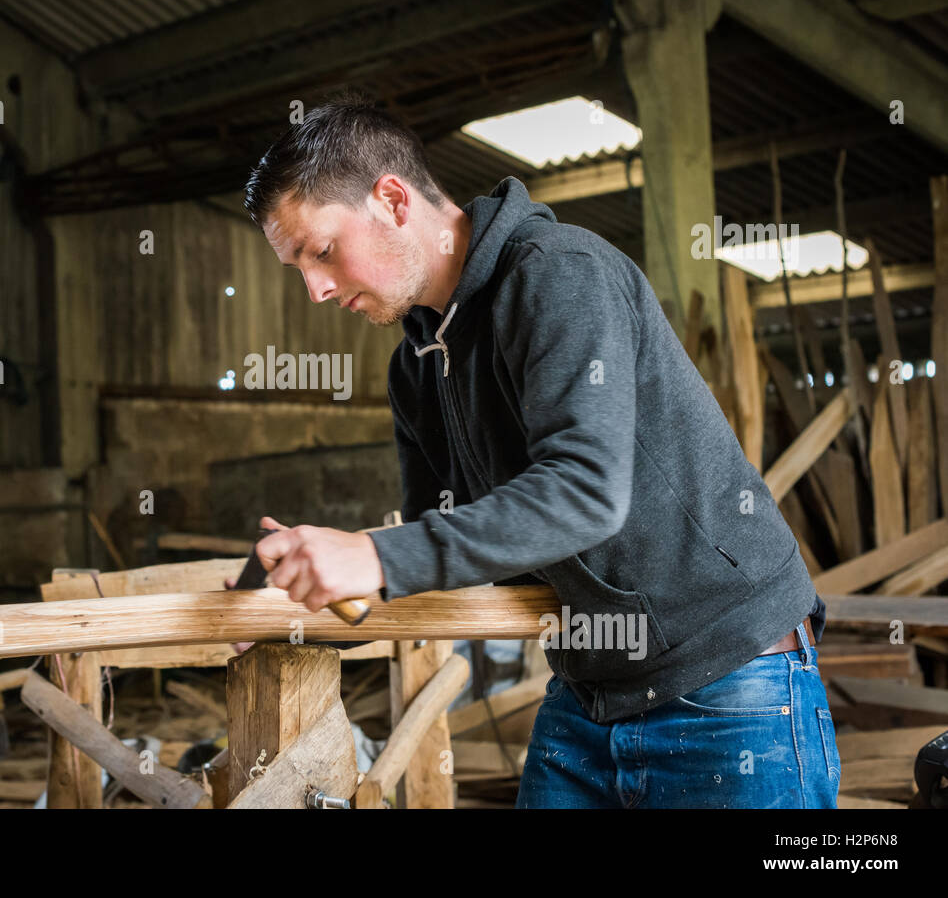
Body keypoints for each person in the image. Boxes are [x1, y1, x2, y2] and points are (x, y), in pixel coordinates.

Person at [236, 93, 839, 808]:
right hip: (591, 694)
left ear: (393, 199)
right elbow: (453, 557)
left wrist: (368, 553)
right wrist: (306, 612)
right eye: (298, 268)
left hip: (730, 679)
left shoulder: (560, 274)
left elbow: (586, 490)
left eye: (322, 252)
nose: (316, 289)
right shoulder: (416, 367)